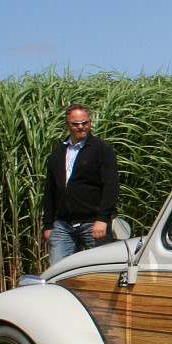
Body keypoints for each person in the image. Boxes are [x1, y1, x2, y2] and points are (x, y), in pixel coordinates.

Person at [42, 104, 120, 266]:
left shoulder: (101, 149)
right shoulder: (58, 152)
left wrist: (103, 218)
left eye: (85, 123)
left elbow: (110, 185)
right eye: (75, 124)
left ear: (90, 123)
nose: (81, 127)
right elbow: (50, 189)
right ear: (67, 125)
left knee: (99, 271)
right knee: (58, 272)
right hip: (63, 225)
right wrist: (48, 224)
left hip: (93, 224)